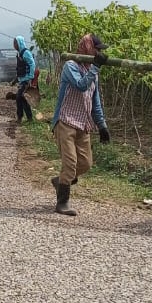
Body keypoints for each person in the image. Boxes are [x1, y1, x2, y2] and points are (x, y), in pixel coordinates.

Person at [49, 34, 111, 216]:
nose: (98, 52)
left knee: (85, 163)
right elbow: (81, 85)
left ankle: (60, 181)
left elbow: (95, 103)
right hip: (66, 121)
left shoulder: (93, 71)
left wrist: (102, 126)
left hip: (83, 124)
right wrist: (97, 67)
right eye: (96, 49)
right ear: (87, 48)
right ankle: (62, 203)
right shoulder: (71, 67)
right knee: (70, 164)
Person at [13, 36, 37, 123]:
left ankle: (21, 117)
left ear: (20, 43)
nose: (14, 45)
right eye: (14, 43)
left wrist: (30, 78)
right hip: (22, 79)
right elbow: (20, 67)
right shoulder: (20, 53)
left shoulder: (26, 53)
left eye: (15, 43)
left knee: (19, 97)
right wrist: (16, 79)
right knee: (23, 99)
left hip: (26, 80)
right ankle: (29, 118)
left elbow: (32, 64)